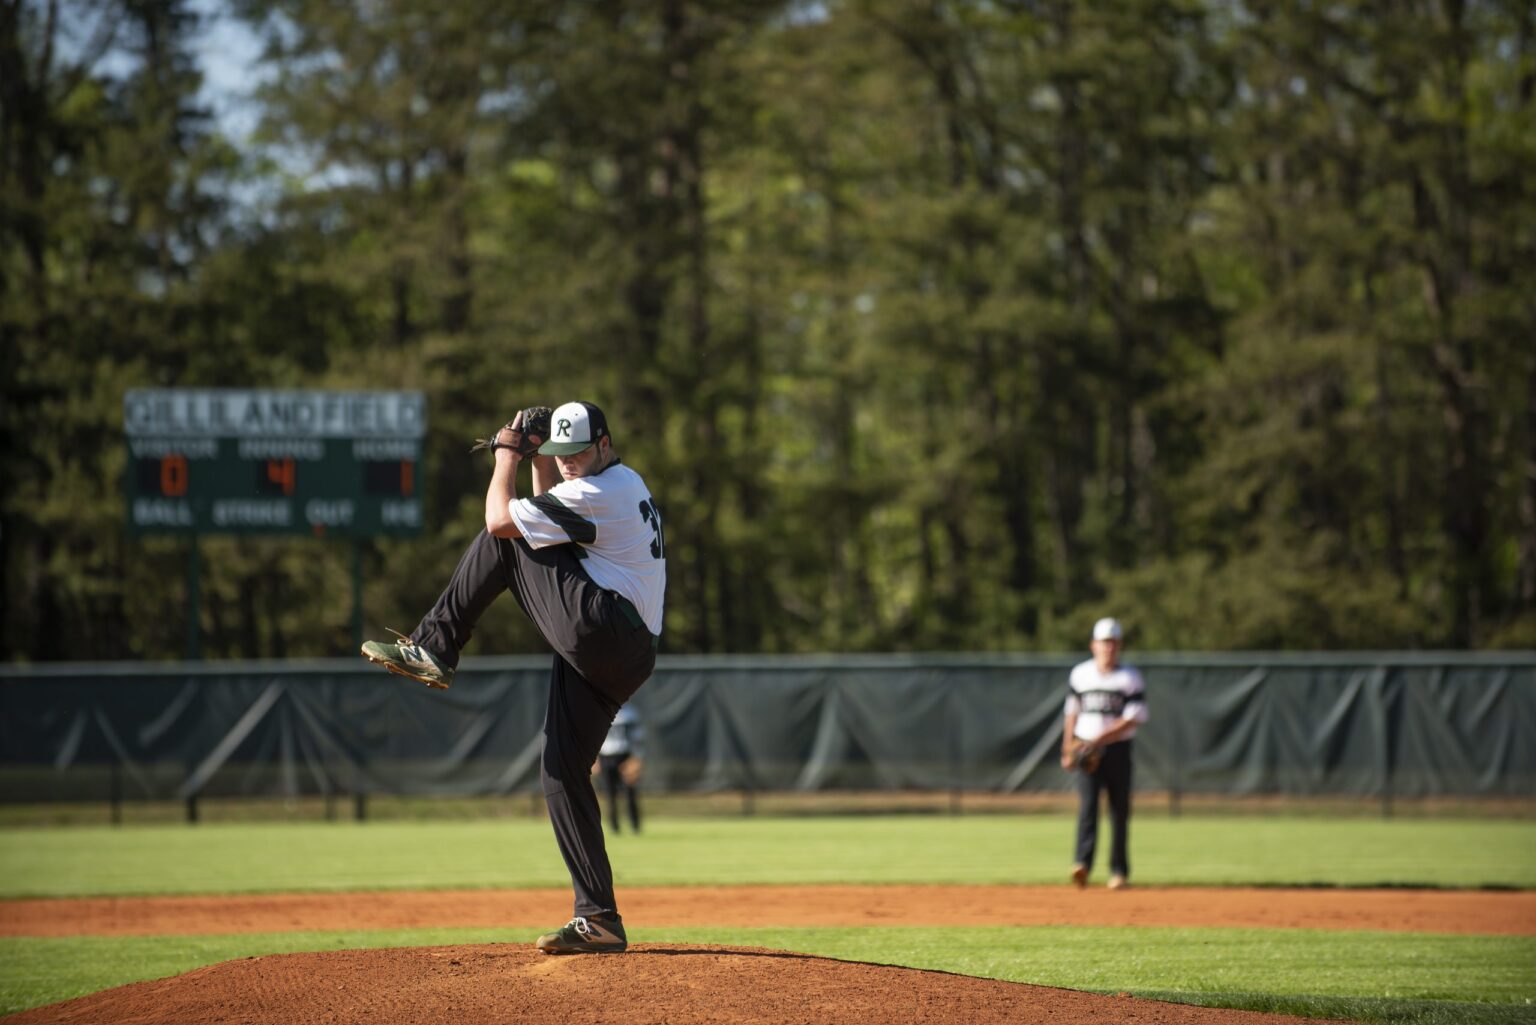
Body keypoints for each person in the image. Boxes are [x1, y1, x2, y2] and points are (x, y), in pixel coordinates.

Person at [360, 400, 665, 954]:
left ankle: (435, 646)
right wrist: (538, 457)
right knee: (561, 771)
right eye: (559, 453)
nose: (567, 462)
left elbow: (501, 520)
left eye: (577, 452)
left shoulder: (599, 492)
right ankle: (599, 918)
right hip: (626, 650)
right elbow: (549, 520)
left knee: (501, 538)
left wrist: (507, 455)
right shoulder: (620, 483)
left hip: (604, 630)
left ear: (604, 443)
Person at [1060, 617, 1147, 891]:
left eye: (1113, 643)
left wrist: (1099, 739)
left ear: (1119, 646)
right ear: (1093, 645)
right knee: (1087, 808)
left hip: (1117, 750)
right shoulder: (1081, 674)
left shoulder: (1129, 677)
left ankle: (1119, 872)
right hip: (1085, 750)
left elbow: (1134, 717)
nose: (1108, 647)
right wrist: (1067, 748)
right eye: (1104, 642)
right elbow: (1071, 713)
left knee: (1119, 811)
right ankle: (1082, 865)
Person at [595, 703, 645, 833]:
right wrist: (595, 759)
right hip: (606, 756)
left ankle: (635, 825)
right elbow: (594, 738)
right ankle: (614, 826)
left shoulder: (629, 713)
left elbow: (637, 738)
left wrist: (636, 758)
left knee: (630, 792)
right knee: (610, 793)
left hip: (625, 756)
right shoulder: (601, 711)